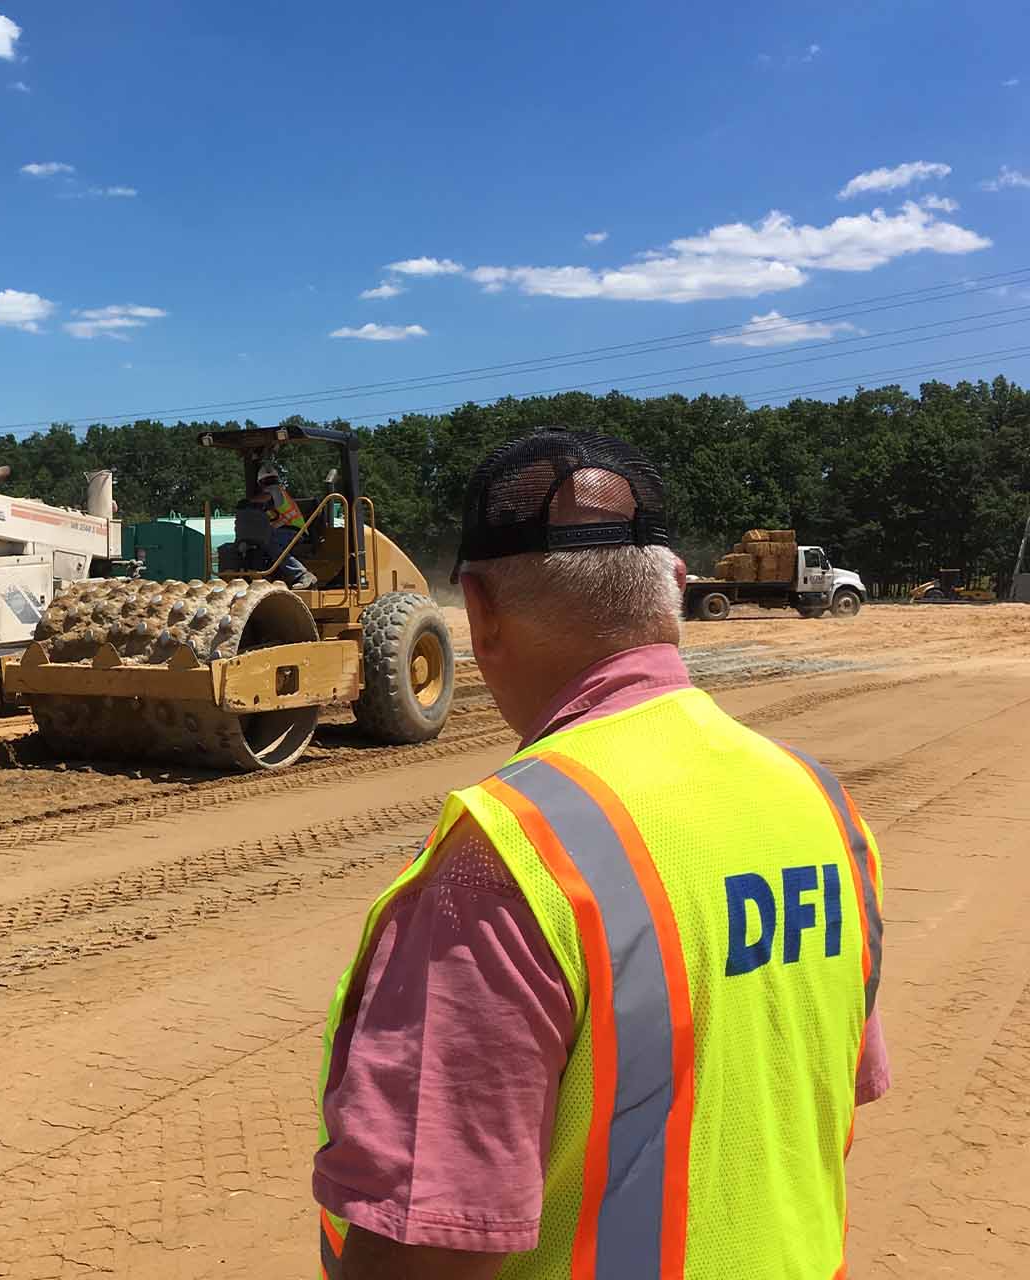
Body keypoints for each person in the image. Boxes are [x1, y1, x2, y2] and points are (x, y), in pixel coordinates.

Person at [312, 431, 888, 1280]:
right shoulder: (821, 804)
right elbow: (820, 1086)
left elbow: (427, 1247)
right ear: (678, 586)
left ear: (481, 611)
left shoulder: (512, 856)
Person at [256, 452, 319, 589]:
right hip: (283, 532)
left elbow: (273, 492)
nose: (269, 485)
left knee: (270, 542)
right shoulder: (268, 504)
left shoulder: (277, 492)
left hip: (296, 532)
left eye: (270, 482)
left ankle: (302, 574)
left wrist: (252, 501)